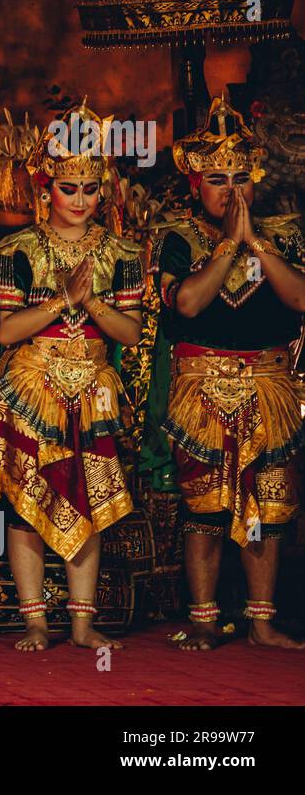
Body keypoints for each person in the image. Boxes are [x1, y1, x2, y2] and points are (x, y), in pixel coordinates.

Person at [153, 98, 305, 651]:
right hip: (203, 386)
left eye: (242, 177)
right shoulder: (176, 237)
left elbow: (300, 298)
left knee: (269, 500)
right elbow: (187, 304)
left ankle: (261, 620)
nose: (232, 190)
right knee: (207, 503)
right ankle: (202, 616)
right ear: (195, 183)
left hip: (271, 384)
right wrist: (227, 247)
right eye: (218, 179)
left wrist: (256, 244)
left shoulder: (284, 235)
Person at [0, 100, 141, 651]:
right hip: (33, 385)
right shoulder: (15, 250)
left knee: (90, 496)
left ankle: (80, 623)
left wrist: (91, 303)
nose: (81, 200)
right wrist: (62, 300)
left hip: (95, 387)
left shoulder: (122, 251)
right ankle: (34, 620)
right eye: (69, 188)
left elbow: (129, 333)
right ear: (45, 186)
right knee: (28, 501)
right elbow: (6, 333)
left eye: (91, 189)